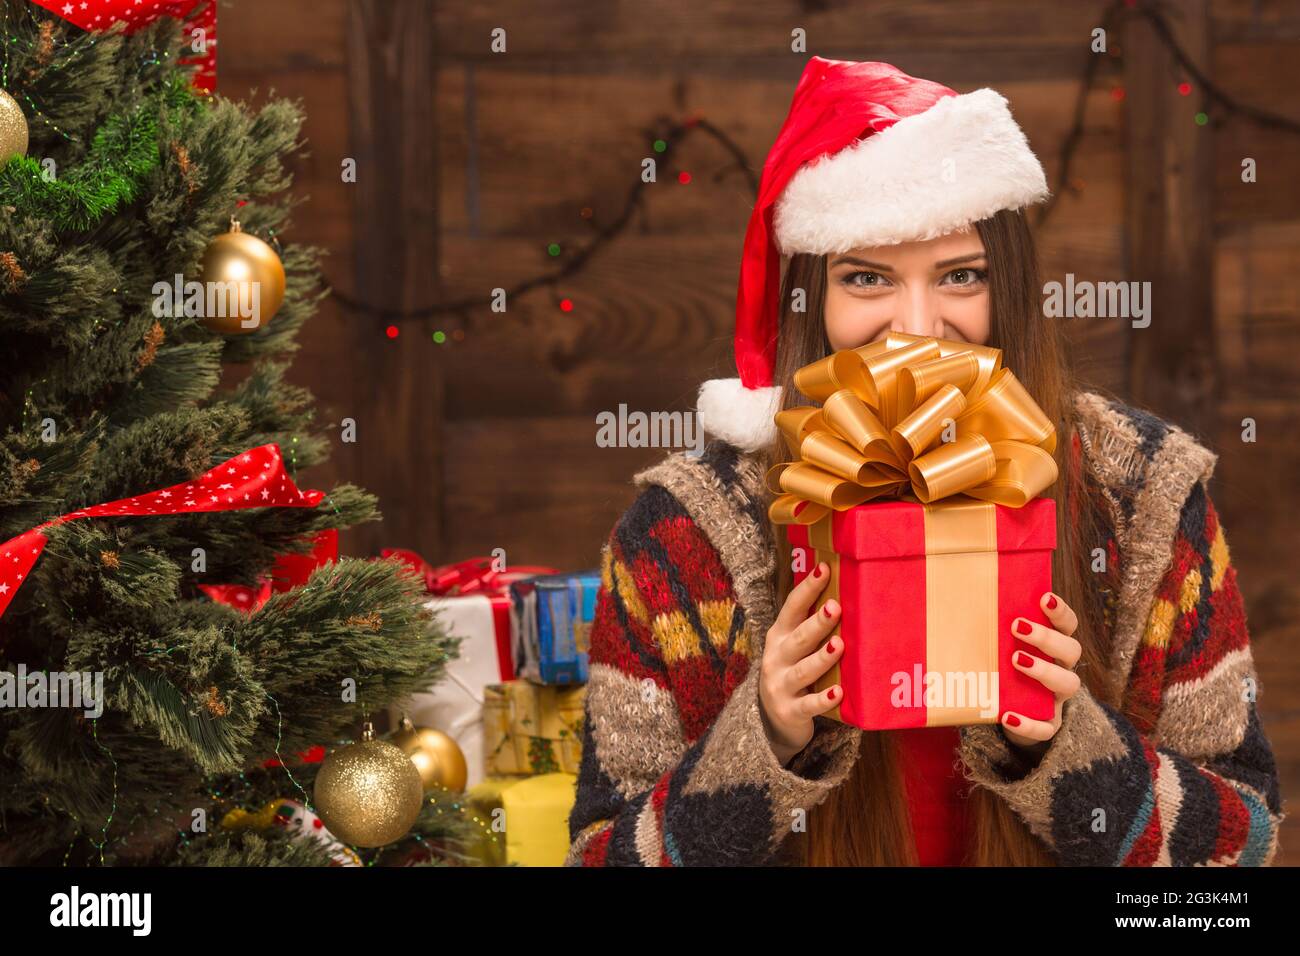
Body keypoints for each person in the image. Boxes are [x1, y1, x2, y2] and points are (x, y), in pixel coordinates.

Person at [564, 58, 1283, 866]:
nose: (916, 330)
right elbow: (601, 858)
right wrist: (763, 741)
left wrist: (1069, 751)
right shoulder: (684, 531)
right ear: (813, 299)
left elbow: (1241, 852)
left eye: (961, 276)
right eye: (866, 277)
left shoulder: (1140, 493)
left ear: (1005, 286)